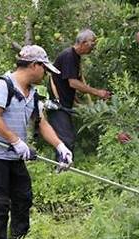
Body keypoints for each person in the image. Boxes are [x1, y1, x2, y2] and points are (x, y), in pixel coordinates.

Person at [0, 45, 73, 239]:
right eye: (44, 69)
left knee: (23, 199)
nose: (45, 74)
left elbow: (41, 123)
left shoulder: (33, 93)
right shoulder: (2, 85)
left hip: (14, 157)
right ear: (34, 65)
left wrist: (60, 146)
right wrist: (16, 141)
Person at [48, 29, 111, 157]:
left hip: (65, 105)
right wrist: (97, 92)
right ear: (82, 43)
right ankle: (61, 171)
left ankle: (63, 169)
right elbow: (73, 83)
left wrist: (78, 101)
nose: (93, 47)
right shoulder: (68, 56)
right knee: (65, 140)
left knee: (67, 138)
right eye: (92, 44)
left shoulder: (75, 57)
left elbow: (67, 82)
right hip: (57, 105)